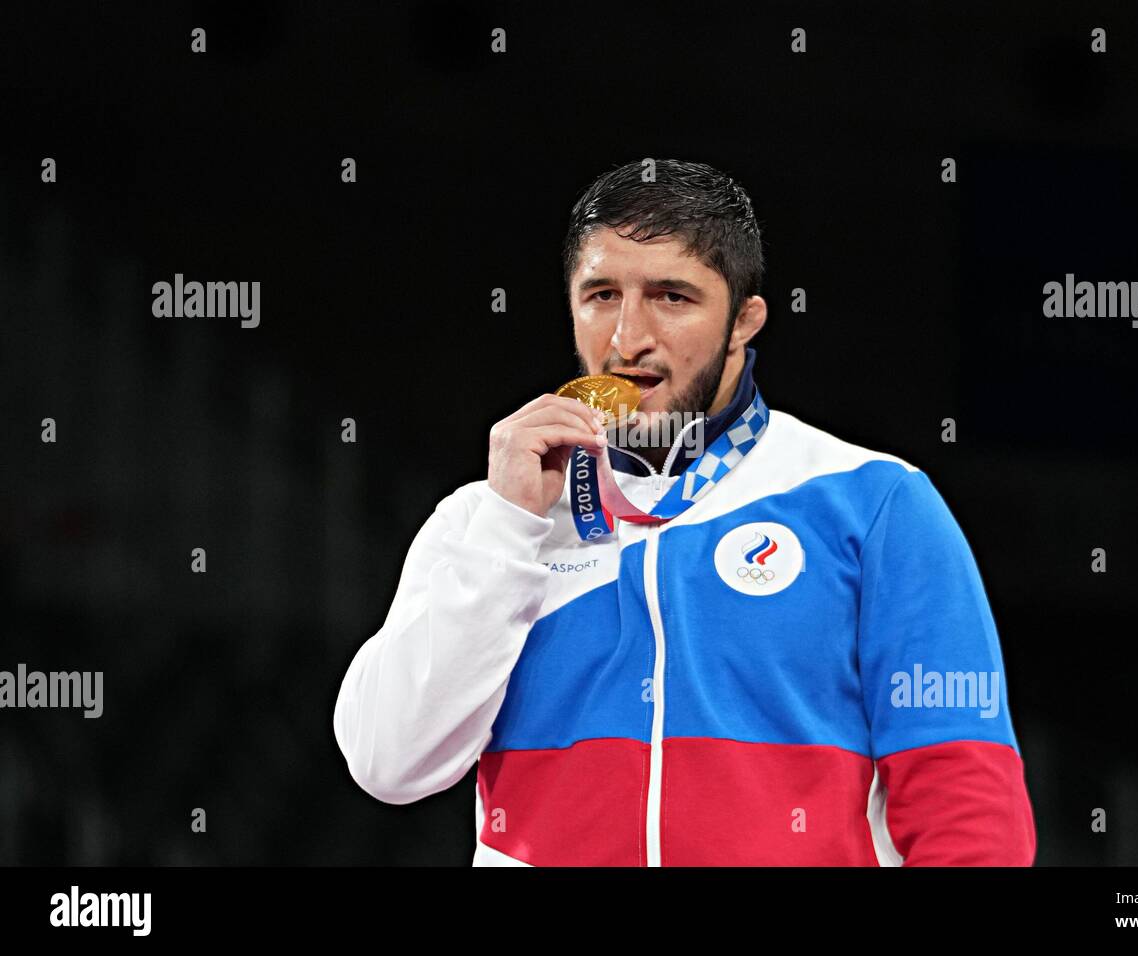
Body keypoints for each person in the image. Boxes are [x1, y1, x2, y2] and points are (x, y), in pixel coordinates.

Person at [333, 158, 1036, 866]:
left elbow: (964, 799)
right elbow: (391, 766)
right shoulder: (488, 520)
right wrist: (507, 527)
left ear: (744, 320)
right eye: (601, 295)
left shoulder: (875, 502)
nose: (626, 338)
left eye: (672, 297)